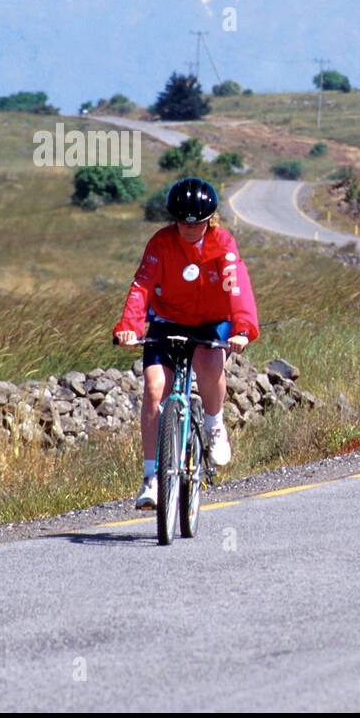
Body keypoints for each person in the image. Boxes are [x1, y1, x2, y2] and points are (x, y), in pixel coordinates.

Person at [114, 178, 259, 509]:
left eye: (198, 223)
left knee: (209, 365)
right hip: (167, 321)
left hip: (211, 321)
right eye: (182, 222)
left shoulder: (223, 244)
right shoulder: (161, 244)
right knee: (154, 388)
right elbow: (142, 286)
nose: (190, 229)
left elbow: (237, 287)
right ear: (173, 220)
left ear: (210, 219)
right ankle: (151, 478)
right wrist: (129, 326)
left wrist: (243, 329)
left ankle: (214, 425)